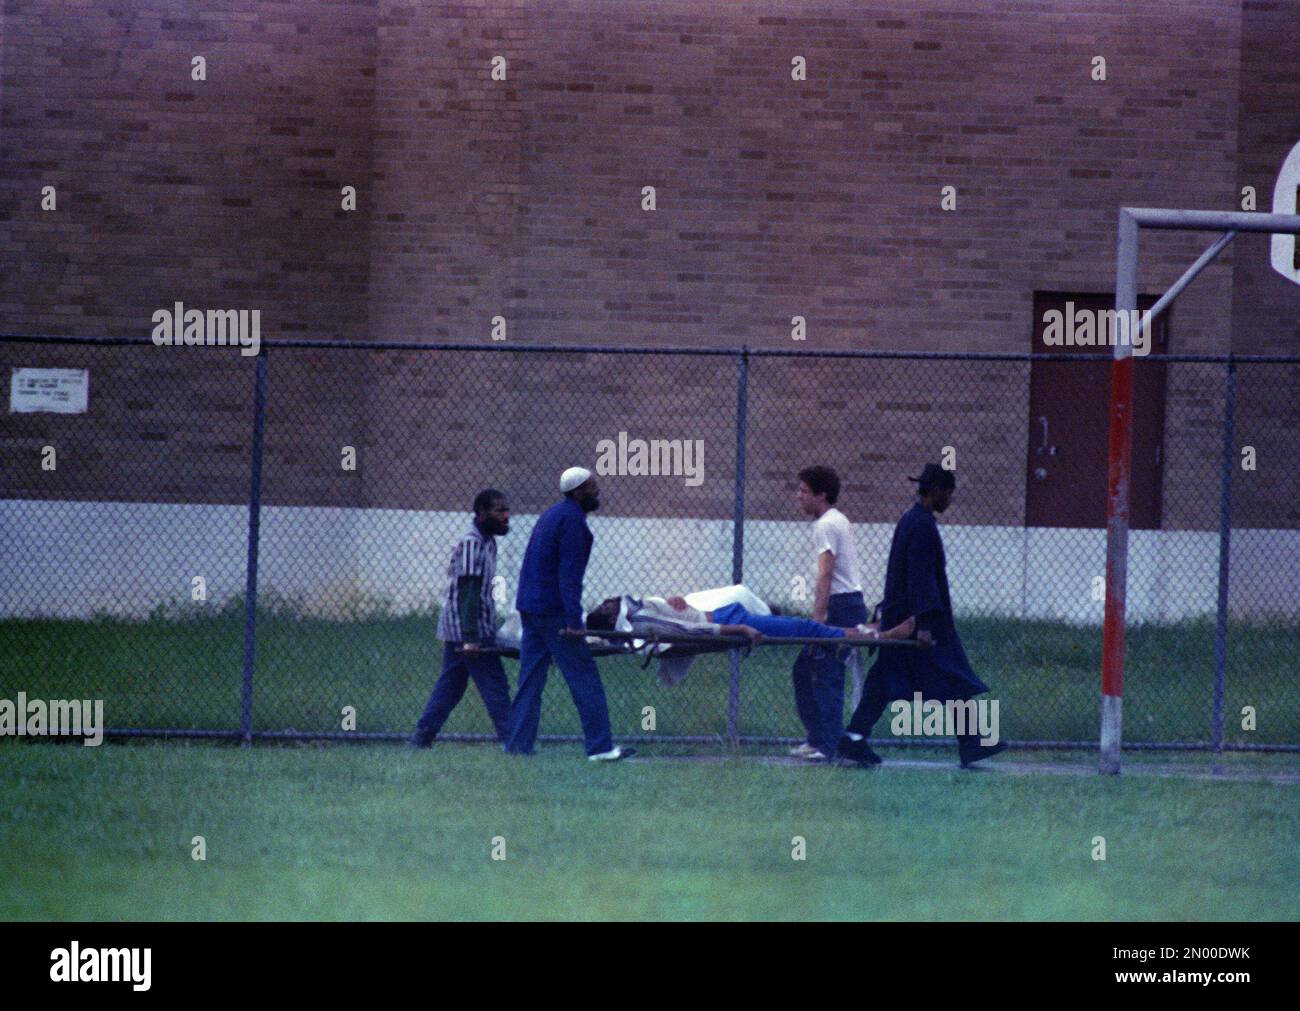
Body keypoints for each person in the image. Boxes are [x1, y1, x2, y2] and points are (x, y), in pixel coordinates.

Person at [837, 464, 1008, 769]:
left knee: (893, 679)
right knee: (947, 676)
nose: (950, 500)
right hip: (917, 623)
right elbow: (921, 577)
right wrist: (924, 624)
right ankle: (971, 742)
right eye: (949, 493)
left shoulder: (911, 520)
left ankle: (855, 737)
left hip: (904, 618)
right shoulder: (922, 526)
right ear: (937, 491)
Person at [503, 467, 634, 762]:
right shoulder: (574, 522)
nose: (597, 491)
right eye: (591, 487)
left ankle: (518, 747)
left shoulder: (552, 515)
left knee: (530, 681)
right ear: (577, 492)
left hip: (530, 607)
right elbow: (569, 576)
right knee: (584, 678)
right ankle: (600, 748)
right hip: (554, 613)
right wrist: (575, 622)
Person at [410, 489, 513, 747]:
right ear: (480, 513)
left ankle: (422, 738)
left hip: (472, 629)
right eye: (499, 510)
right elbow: (468, 591)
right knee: (494, 685)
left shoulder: (488, 541)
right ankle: (514, 741)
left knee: (451, 686)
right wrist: (471, 638)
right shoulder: (472, 543)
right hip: (467, 631)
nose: (505, 515)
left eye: (506, 510)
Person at [790, 465, 868, 762]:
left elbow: (826, 574)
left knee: (827, 673)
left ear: (821, 495)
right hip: (847, 604)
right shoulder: (837, 521)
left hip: (840, 606)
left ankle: (830, 746)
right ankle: (817, 738)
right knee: (805, 669)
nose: (799, 497)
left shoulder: (826, 524)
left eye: (804, 491)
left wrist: (818, 616)